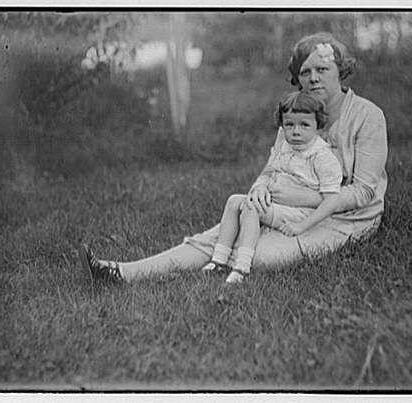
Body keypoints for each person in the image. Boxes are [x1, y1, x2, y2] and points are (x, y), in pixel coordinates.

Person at [79, 31, 388, 284]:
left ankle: (229, 261)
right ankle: (122, 273)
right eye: (305, 72)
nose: (314, 79)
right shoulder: (298, 115)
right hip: (288, 207)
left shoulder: (367, 116)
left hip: (346, 218)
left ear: (340, 71)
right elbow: (271, 169)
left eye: (322, 69)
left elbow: (363, 192)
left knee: (258, 255)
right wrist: (260, 188)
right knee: (225, 230)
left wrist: (305, 198)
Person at [200, 90, 342, 284]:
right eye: (289, 124)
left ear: (318, 126)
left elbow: (332, 201)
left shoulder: (322, 156)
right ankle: (219, 259)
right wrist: (260, 187)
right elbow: (270, 171)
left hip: (301, 212)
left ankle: (242, 267)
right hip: (278, 205)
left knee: (252, 208)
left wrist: (301, 226)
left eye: (304, 125)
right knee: (234, 201)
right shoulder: (285, 146)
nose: (296, 131)